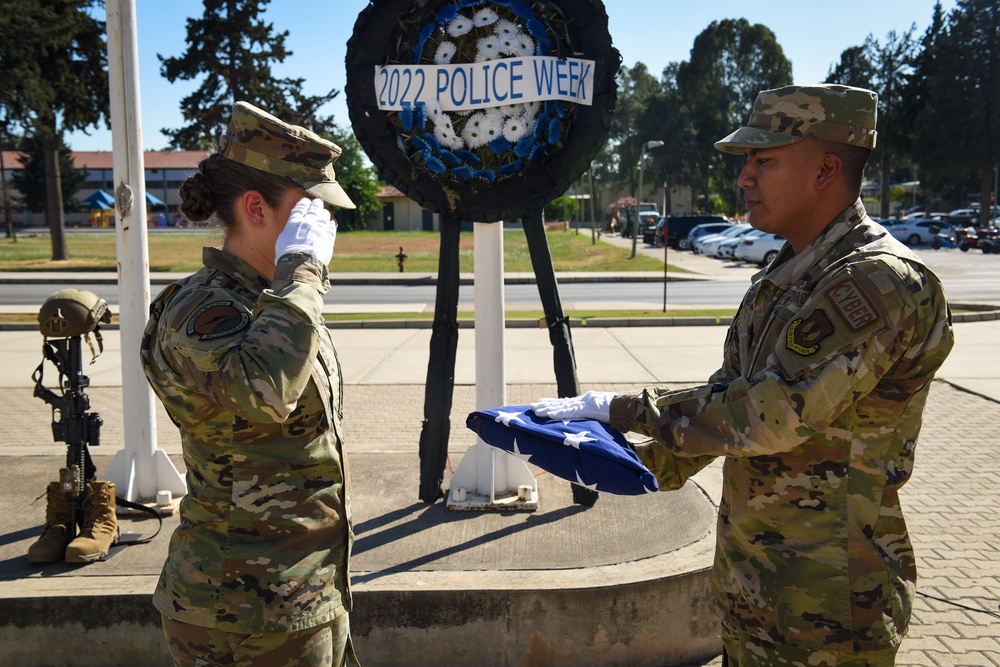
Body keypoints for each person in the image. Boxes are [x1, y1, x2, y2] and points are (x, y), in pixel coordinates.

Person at [531, 84, 954, 666]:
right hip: (756, 594)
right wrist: (617, 457)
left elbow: (772, 415)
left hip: (830, 613)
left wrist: (625, 409)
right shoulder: (785, 280)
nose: (744, 178)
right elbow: (729, 400)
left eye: (764, 160)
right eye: (747, 162)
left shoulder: (879, 283)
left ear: (827, 168)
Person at [140, 101, 359, 667]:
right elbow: (263, 395)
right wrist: (305, 269)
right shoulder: (203, 308)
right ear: (256, 208)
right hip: (239, 609)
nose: (325, 226)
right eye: (311, 210)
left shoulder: (276, 299)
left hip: (305, 591)